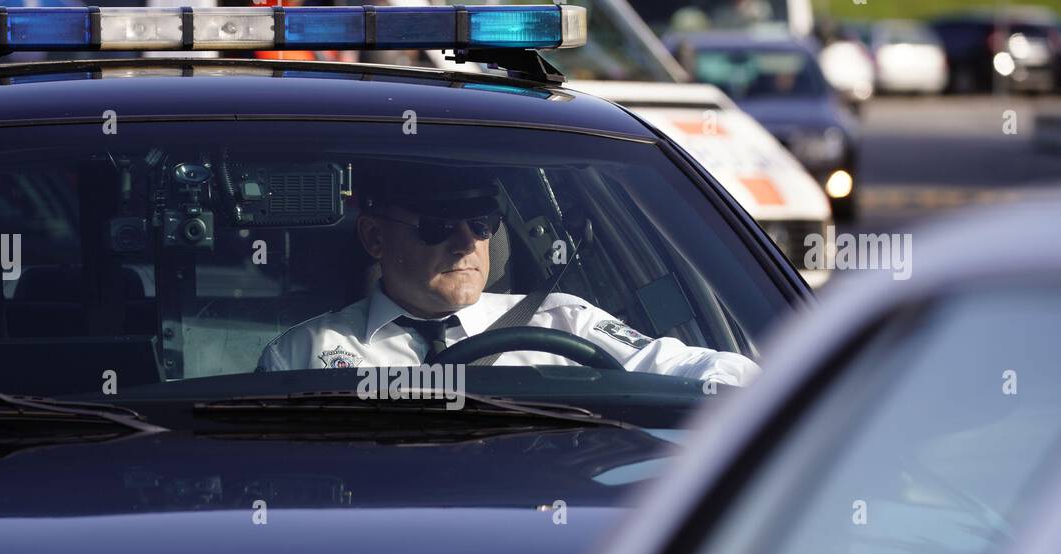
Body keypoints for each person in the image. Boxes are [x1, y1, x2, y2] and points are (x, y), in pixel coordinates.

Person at [256, 166, 760, 386]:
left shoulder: (562, 323)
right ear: (374, 238)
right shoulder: (308, 355)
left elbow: (682, 368)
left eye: (482, 224)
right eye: (436, 226)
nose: (466, 242)